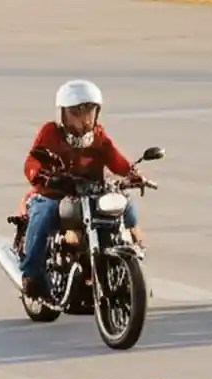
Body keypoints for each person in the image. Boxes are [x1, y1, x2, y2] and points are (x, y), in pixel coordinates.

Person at [19, 79, 146, 300]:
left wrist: (132, 175)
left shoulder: (98, 135)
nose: (84, 119)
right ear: (63, 115)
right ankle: (31, 275)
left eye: (89, 111)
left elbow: (114, 158)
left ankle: (124, 259)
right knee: (44, 214)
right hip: (55, 193)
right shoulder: (50, 132)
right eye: (76, 113)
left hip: (92, 192)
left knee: (126, 208)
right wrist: (41, 175)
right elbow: (32, 162)